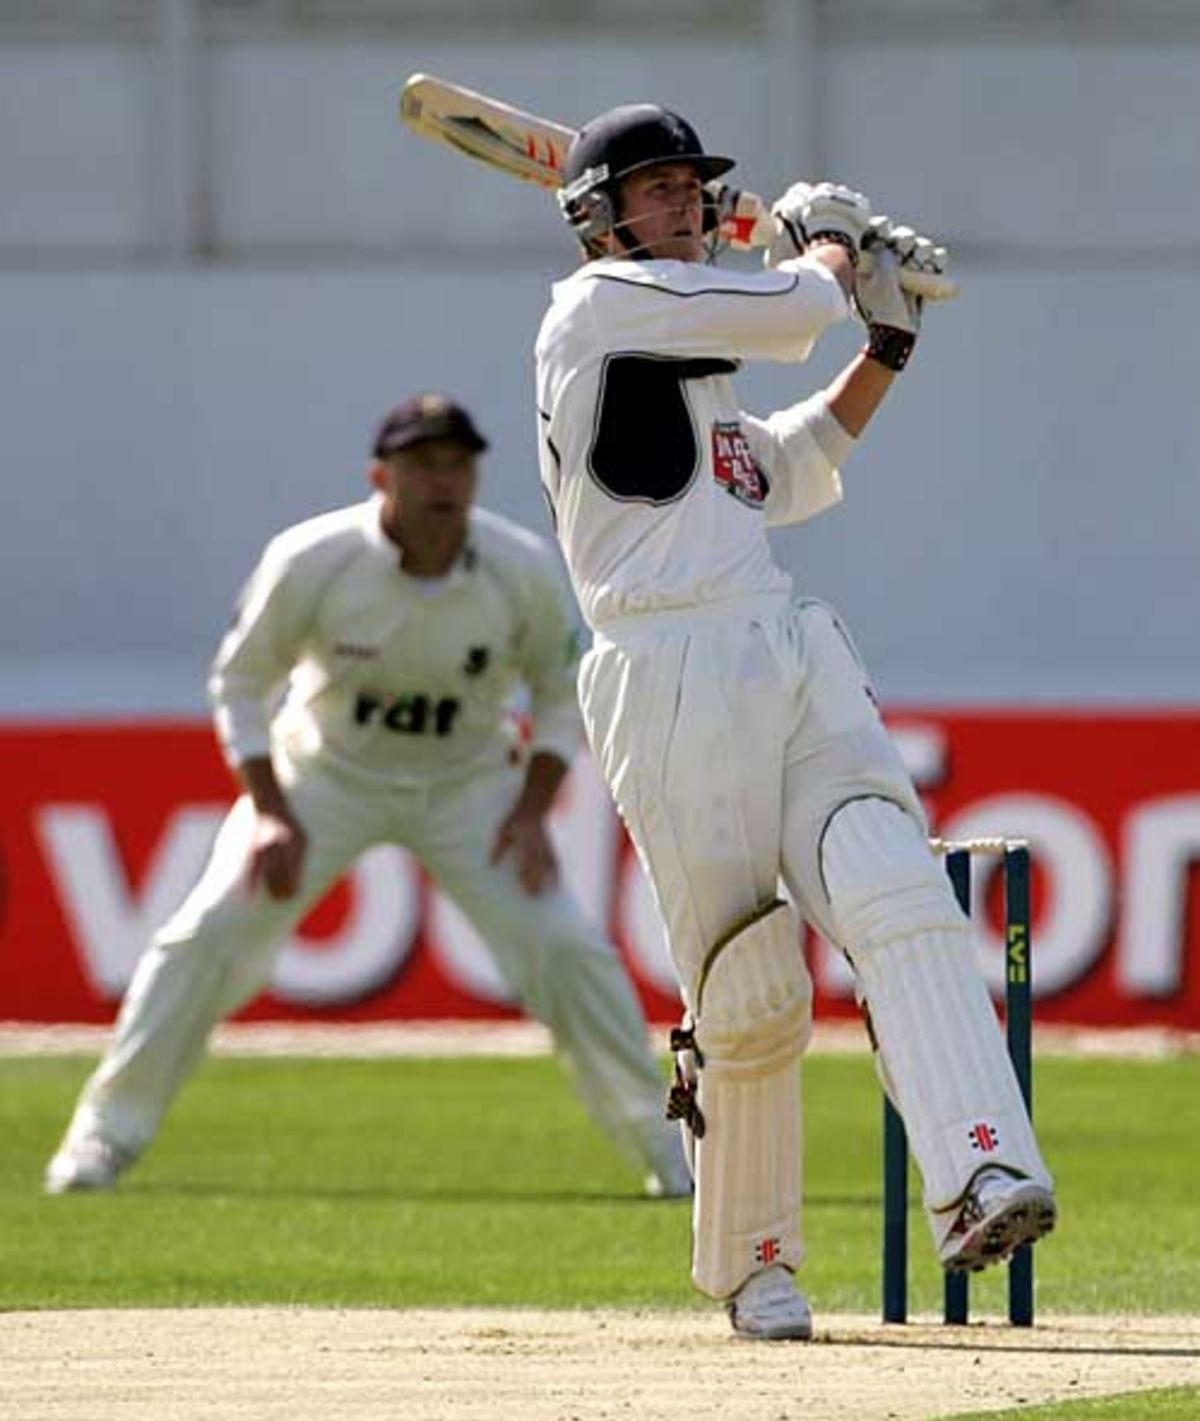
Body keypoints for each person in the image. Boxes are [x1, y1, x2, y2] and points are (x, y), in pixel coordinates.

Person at [534, 105, 1057, 1340]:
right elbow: (779, 316)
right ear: (602, 219)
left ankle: (982, 1168)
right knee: (750, 981)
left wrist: (883, 344)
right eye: (659, 191)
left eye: (693, 189)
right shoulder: (597, 312)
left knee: (893, 883)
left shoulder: (690, 353)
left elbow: (790, 465)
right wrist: (826, 249)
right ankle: (757, 1260)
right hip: (665, 667)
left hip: (783, 636)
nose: (685, 208)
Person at [45, 393, 691, 1202]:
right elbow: (241, 684)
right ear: (381, 476)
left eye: (457, 464)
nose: (442, 482)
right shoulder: (313, 558)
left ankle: (670, 1156)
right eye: (423, 464)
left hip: (469, 785)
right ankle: (103, 1139)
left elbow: (564, 695)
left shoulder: (518, 565)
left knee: (569, 951)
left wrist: (530, 812)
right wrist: (273, 812)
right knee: (201, 938)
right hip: (326, 777)